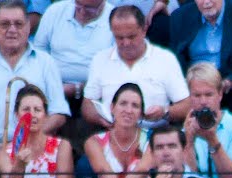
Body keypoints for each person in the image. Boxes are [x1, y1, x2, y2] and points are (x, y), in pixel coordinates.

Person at [0, 0, 68, 140]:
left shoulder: (46, 63)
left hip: (34, 147)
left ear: (27, 27)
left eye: (18, 24)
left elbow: (59, 113)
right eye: (5, 24)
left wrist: (26, 140)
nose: (12, 30)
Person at [80, 4, 187, 136]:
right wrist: (101, 120)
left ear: (144, 30)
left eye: (131, 37)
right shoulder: (100, 59)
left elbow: (186, 105)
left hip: (155, 136)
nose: (126, 43)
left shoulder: (165, 59)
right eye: (119, 38)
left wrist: (165, 112)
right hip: (112, 133)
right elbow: (87, 105)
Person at [167, 0, 232, 127]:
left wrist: (230, 82)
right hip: (193, 84)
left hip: (230, 85)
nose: (207, 2)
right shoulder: (179, 18)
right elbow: (174, 61)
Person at [30, 0, 112, 120]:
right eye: (78, 6)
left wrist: (78, 89)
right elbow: (39, 52)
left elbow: (114, 66)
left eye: (89, 8)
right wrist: (52, 84)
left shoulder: (113, 18)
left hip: (95, 94)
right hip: (52, 87)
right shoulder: (55, 11)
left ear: (103, 3)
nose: (82, 12)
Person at [84, 81, 147, 178]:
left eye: (135, 106)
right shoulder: (93, 141)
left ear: (141, 113)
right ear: (112, 107)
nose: (128, 110)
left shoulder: (151, 141)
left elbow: (139, 172)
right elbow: (104, 170)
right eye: (123, 103)